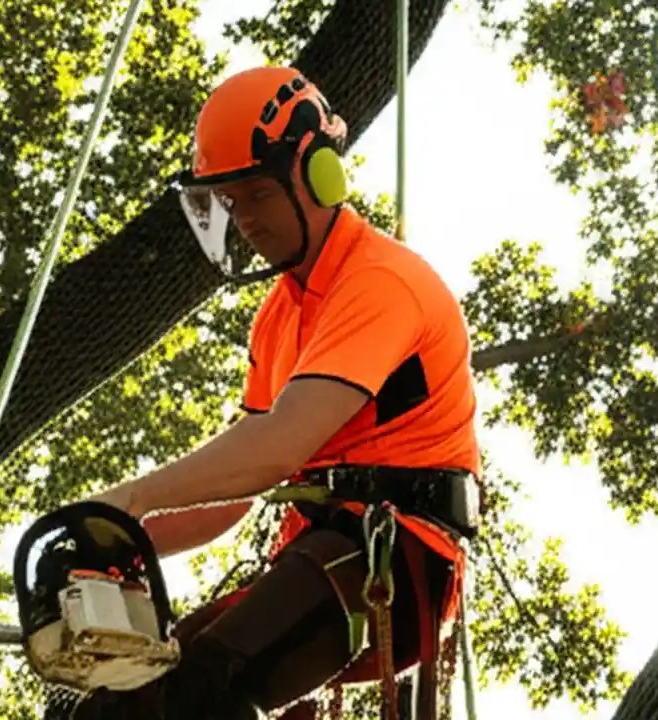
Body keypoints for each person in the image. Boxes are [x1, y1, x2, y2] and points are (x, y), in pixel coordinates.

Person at [73, 64, 482, 719]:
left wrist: (134, 497)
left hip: (397, 558)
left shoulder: (380, 282)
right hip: (316, 556)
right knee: (123, 702)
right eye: (231, 204)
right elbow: (237, 492)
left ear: (322, 173)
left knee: (208, 681)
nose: (246, 220)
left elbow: (277, 451)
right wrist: (117, 535)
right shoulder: (279, 314)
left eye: (257, 194)